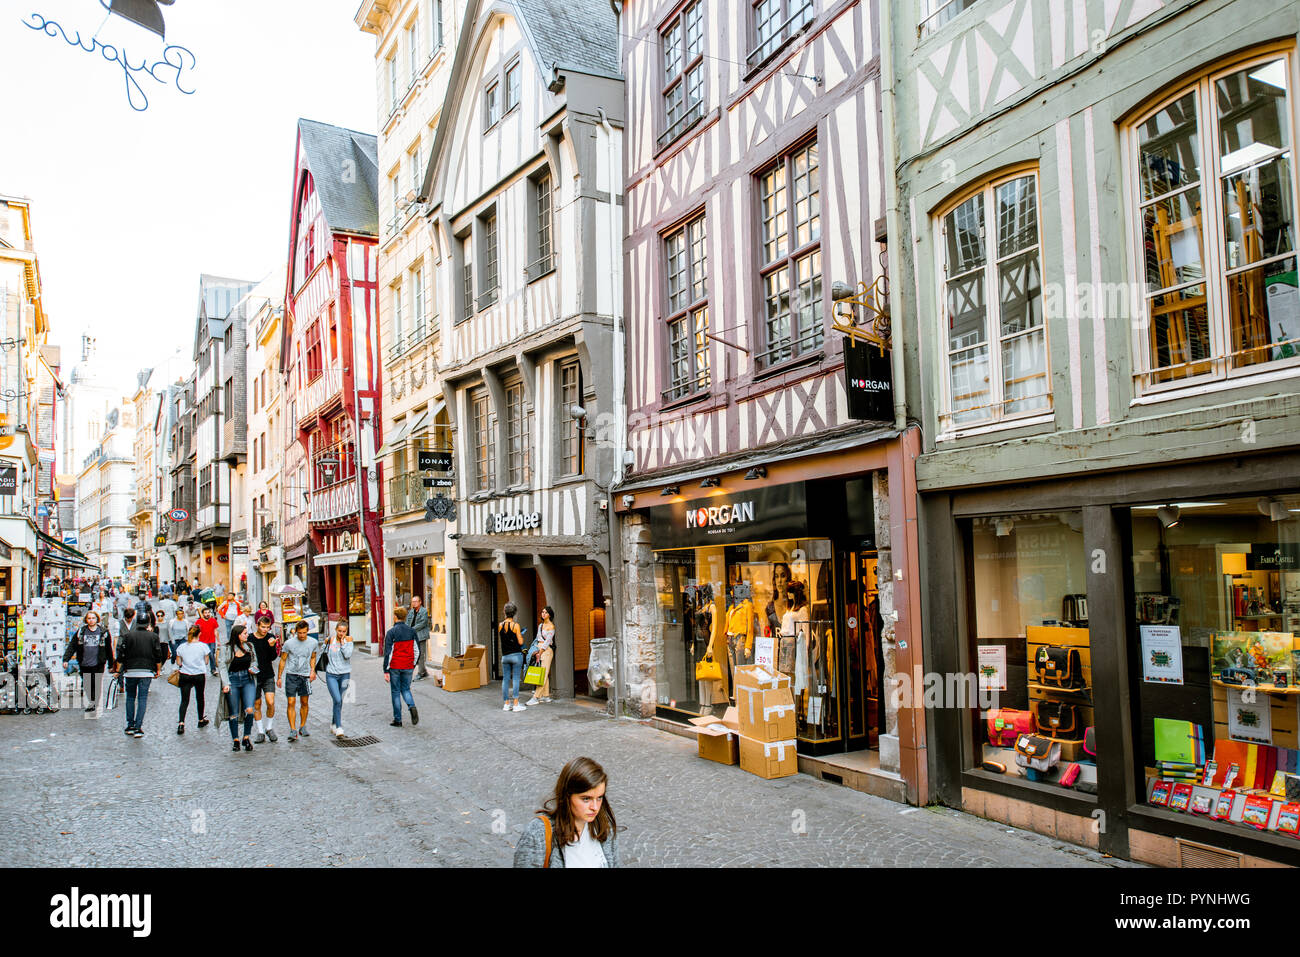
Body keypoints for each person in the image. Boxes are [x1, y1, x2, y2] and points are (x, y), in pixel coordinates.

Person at [513, 757, 620, 868]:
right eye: (586, 799)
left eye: (599, 798)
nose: (595, 807)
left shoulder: (605, 830)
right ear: (567, 796)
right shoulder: (538, 833)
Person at [115, 607, 166, 738]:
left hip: (130, 671)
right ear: (148, 623)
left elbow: (121, 655)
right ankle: (138, 727)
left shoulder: (128, 636)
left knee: (130, 697)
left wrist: (117, 670)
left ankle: (130, 725)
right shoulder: (153, 636)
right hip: (146, 671)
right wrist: (158, 670)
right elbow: (158, 655)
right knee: (142, 698)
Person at [63, 610, 114, 713]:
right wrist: (66, 659)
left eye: (93, 618)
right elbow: (72, 646)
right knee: (87, 684)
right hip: (84, 662)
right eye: (89, 618)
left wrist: (111, 664)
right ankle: (92, 699)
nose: (91, 620)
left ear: (97, 619)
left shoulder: (103, 632)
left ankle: (94, 702)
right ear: (86, 620)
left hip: (98, 662)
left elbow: (108, 649)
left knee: (96, 682)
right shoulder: (81, 632)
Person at [219, 623, 258, 752]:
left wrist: (253, 669)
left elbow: (254, 661)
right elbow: (222, 666)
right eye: (245, 633)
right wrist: (226, 684)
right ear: (238, 635)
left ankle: (246, 737)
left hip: (248, 679)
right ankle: (235, 739)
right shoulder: (227, 648)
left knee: (250, 709)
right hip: (233, 680)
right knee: (233, 712)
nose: (247, 635)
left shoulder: (249, 646)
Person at [276, 620, 318, 743]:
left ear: (307, 631)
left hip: (305, 676)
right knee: (291, 701)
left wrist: (312, 670)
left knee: (304, 702)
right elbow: (283, 659)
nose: (302, 635)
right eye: (299, 633)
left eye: (304, 633)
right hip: (291, 675)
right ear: (296, 632)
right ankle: (293, 729)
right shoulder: (289, 643)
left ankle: (303, 726)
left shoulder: (313, 642)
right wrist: (279, 677)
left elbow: (313, 656)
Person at [382, 607, 418, 728]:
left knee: (396, 692)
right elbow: (417, 650)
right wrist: (413, 664)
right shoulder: (412, 631)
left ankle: (398, 720)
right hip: (408, 665)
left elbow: (388, 653)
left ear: (395, 617)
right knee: (406, 689)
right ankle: (411, 705)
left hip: (395, 666)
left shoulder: (391, 632)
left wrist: (386, 670)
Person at [248, 616, 280, 744]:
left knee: (270, 702)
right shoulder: (250, 638)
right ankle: (260, 731)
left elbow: (273, 657)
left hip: (268, 674)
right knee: (257, 704)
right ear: (257, 625)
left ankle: (269, 727)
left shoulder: (270, 637)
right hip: (254, 676)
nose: (265, 630)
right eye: (263, 627)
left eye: (267, 627)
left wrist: (272, 646)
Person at [174, 624, 210, 734]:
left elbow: (179, 662)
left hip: (185, 674)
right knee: (200, 697)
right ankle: (200, 719)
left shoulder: (182, 647)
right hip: (199, 674)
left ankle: (181, 723)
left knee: (184, 700)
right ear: (199, 634)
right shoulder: (203, 647)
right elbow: (206, 662)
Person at [323, 619, 354, 737]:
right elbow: (322, 653)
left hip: (345, 674)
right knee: (337, 699)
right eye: (339, 631)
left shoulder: (349, 641)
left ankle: (333, 723)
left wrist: (343, 644)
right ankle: (339, 727)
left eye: (344, 631)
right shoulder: (329, 640)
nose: (341, 633)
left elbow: (347, 655)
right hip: (331, 674)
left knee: (339, 700)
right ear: (336, 630)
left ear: (346, 631)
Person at [498, 602, 527, 714]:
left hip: (505, 656)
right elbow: (520, 642)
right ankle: (515, 704)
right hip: (516, 656)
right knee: (515, 679)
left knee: (505, 680)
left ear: (504, 612)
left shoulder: (500, 625)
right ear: (514, 613)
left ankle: (506, 704)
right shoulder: (516, 626)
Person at [526, 606, 557, 706]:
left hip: (546, 651)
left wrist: (540, 652)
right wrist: (535, 650)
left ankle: (536, 697)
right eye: (542, 612)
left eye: (546, 612)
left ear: (550, 615)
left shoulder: (551, 627)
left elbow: (547, 642)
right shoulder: (540, 625)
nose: (543, 614)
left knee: (543, 673)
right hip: (538, 649)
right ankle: (546, 696)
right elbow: (537, 639)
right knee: (544, 672)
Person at [409, 594, 431, 680]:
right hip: (413, 635)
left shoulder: (424, 611)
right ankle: (424, 671)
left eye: (415, 601)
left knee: (421, 654)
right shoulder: (411, 611)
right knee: (415, 654)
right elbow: (408, 621)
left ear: (420, 602)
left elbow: (423, 623)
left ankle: (421, 672)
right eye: (412, 602)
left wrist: (412, 629)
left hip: (421, 635)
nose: (413, 603)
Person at [196, 605, 219, 677]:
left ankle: (213, 669)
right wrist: (196, 641)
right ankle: (201, 669)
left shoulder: (213, 620)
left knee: (211, 654)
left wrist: (218, 641)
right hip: (202, 642)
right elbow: (197, 632)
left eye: (208, 612)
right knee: (201, 656)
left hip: (211, 640)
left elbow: (216, 631)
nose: (207, 614)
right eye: (205, 613)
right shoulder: (198, 622)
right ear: (202, 614)